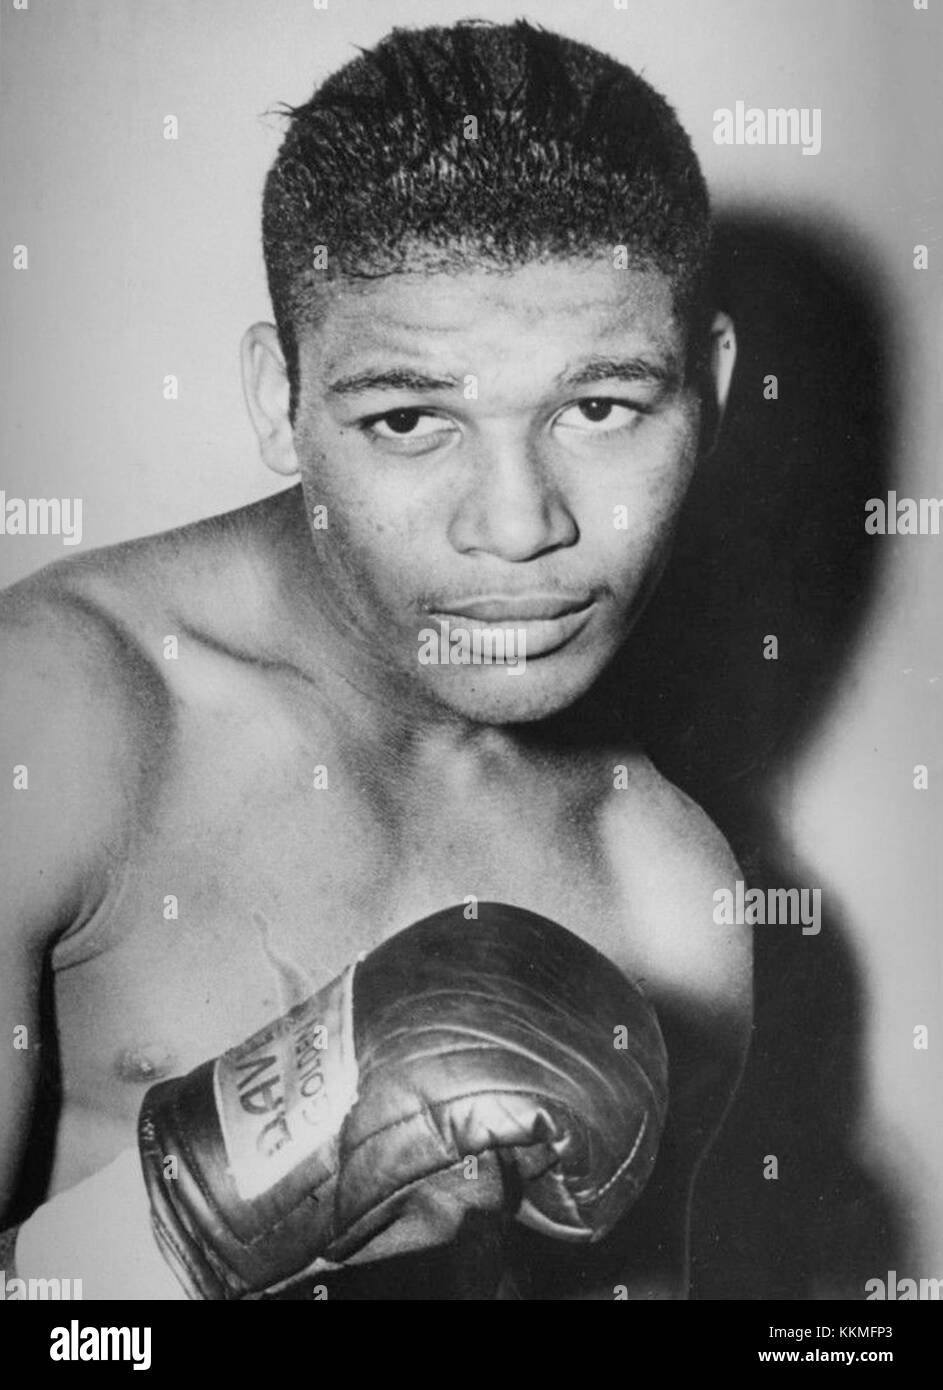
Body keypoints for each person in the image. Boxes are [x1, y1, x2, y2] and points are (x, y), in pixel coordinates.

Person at [0, 19, 750, 1300]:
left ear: (712, 392)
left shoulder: (665, 895)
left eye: (600, 406)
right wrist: (195, 1214)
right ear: (276, 402)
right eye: (410, 418)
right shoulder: (59, 720)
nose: (518, 525)